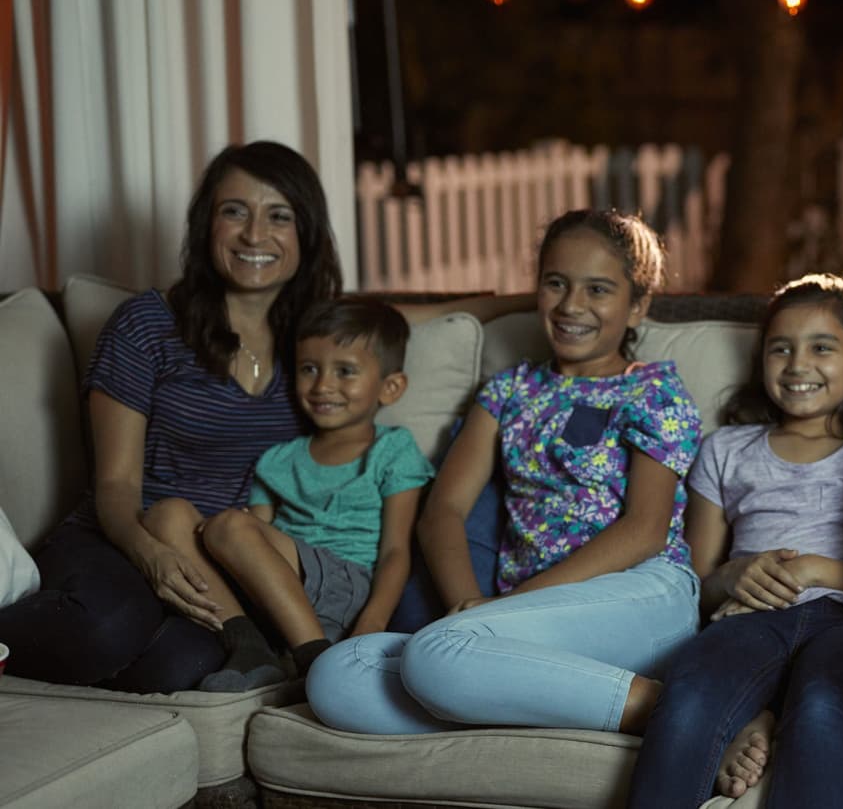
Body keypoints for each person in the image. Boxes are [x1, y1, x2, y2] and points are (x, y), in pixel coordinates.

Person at [305, 209, 702, 736]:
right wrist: (467, 608)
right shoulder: (509, 390)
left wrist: (502, 611)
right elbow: (442, 513)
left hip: (641, 593)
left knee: (438, 655)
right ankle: (516, 693)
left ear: (638, 306)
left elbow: (645, 530)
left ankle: (683, 711)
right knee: (338, 674)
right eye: (555, 283)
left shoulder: (653, 391)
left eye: (598, 290)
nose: (571, 306)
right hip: (515, 621)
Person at [0, 141, 343, 693]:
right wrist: (153, 557)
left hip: (217, 566)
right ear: (206, 225)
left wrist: (506, 304)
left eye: (279, 216)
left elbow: (406, 320)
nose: (255, 235)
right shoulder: (146, 325)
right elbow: (115, 485)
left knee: (183, 667)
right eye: (235, 211)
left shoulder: (314, 345)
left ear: (307, 234)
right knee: (107, 628)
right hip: (118, 538)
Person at [629, 273, 843, 809]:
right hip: (748, 617)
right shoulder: (727, 449)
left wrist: (818, 570)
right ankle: (758, 712)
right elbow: (697, 582)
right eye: (781, 349)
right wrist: (730, 576)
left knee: (823, 708)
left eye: (822, 347)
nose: (798, 365)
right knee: (688, 700)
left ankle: (770, 713)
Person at [139, 299, 434, 692]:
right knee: (167, 515)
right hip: (274, 592)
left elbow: (397, 551)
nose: (323, 385)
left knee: (229, 524)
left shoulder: (393, 451)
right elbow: (254, 534)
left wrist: (372, 624)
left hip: (345, 585)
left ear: (391, 387)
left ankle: (319, 661)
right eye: (309, 369)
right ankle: (248, 645)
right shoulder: (278, 459)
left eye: (345, 371)